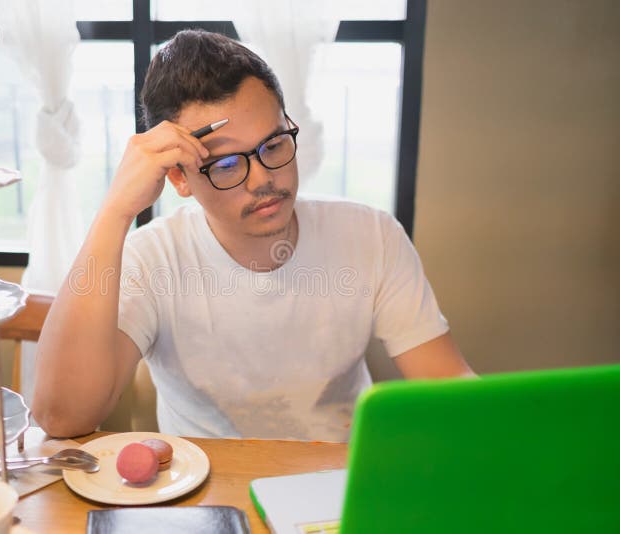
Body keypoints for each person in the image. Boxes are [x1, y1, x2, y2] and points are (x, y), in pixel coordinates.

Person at [32, 29, 474, 440]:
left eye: (274, 145)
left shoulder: (372, 235)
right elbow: (62, 416)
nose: (263, 179)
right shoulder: (153, 259)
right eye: (226, 164)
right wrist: (115, 211)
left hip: (337, 485)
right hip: (209, 494)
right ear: (180, 179)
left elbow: (450, 388)